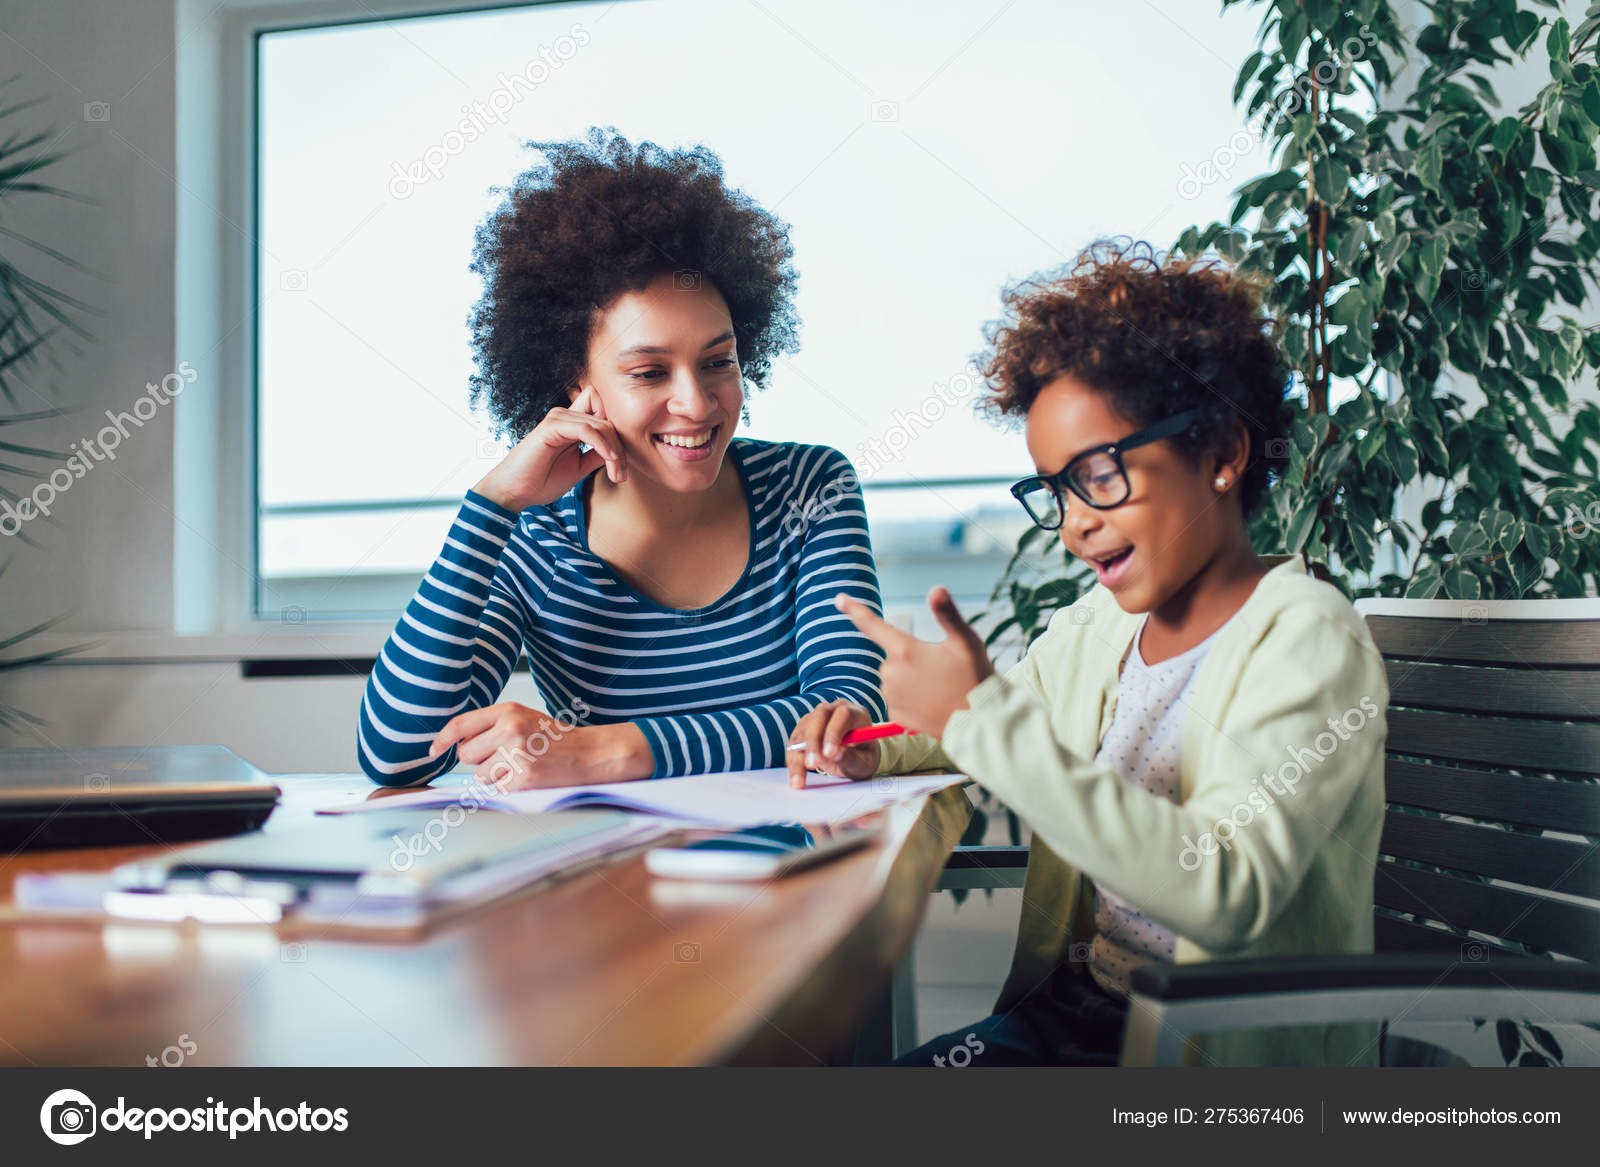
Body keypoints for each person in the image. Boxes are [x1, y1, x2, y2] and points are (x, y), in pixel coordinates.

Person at [787, 239, 1389, 1066]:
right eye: (1054, 489)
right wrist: (869, 745)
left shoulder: (1307, 638)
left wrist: (978, 718)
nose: (1073, 523)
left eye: (1099, 475)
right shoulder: (1101, 627)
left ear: (1222, 452)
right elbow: (991, 725)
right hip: (1080, 1013)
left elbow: (1227, 892)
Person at [359, 130, 886, 789]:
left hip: (799, 876)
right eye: (648, 372)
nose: (696, 404)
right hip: (614, 880)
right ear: (576, 382)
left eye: (718, 361)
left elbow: (845, 724)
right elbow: (400, 755)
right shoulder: (537, 533)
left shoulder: (809, 487)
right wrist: (490, 507)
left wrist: (602, 751)